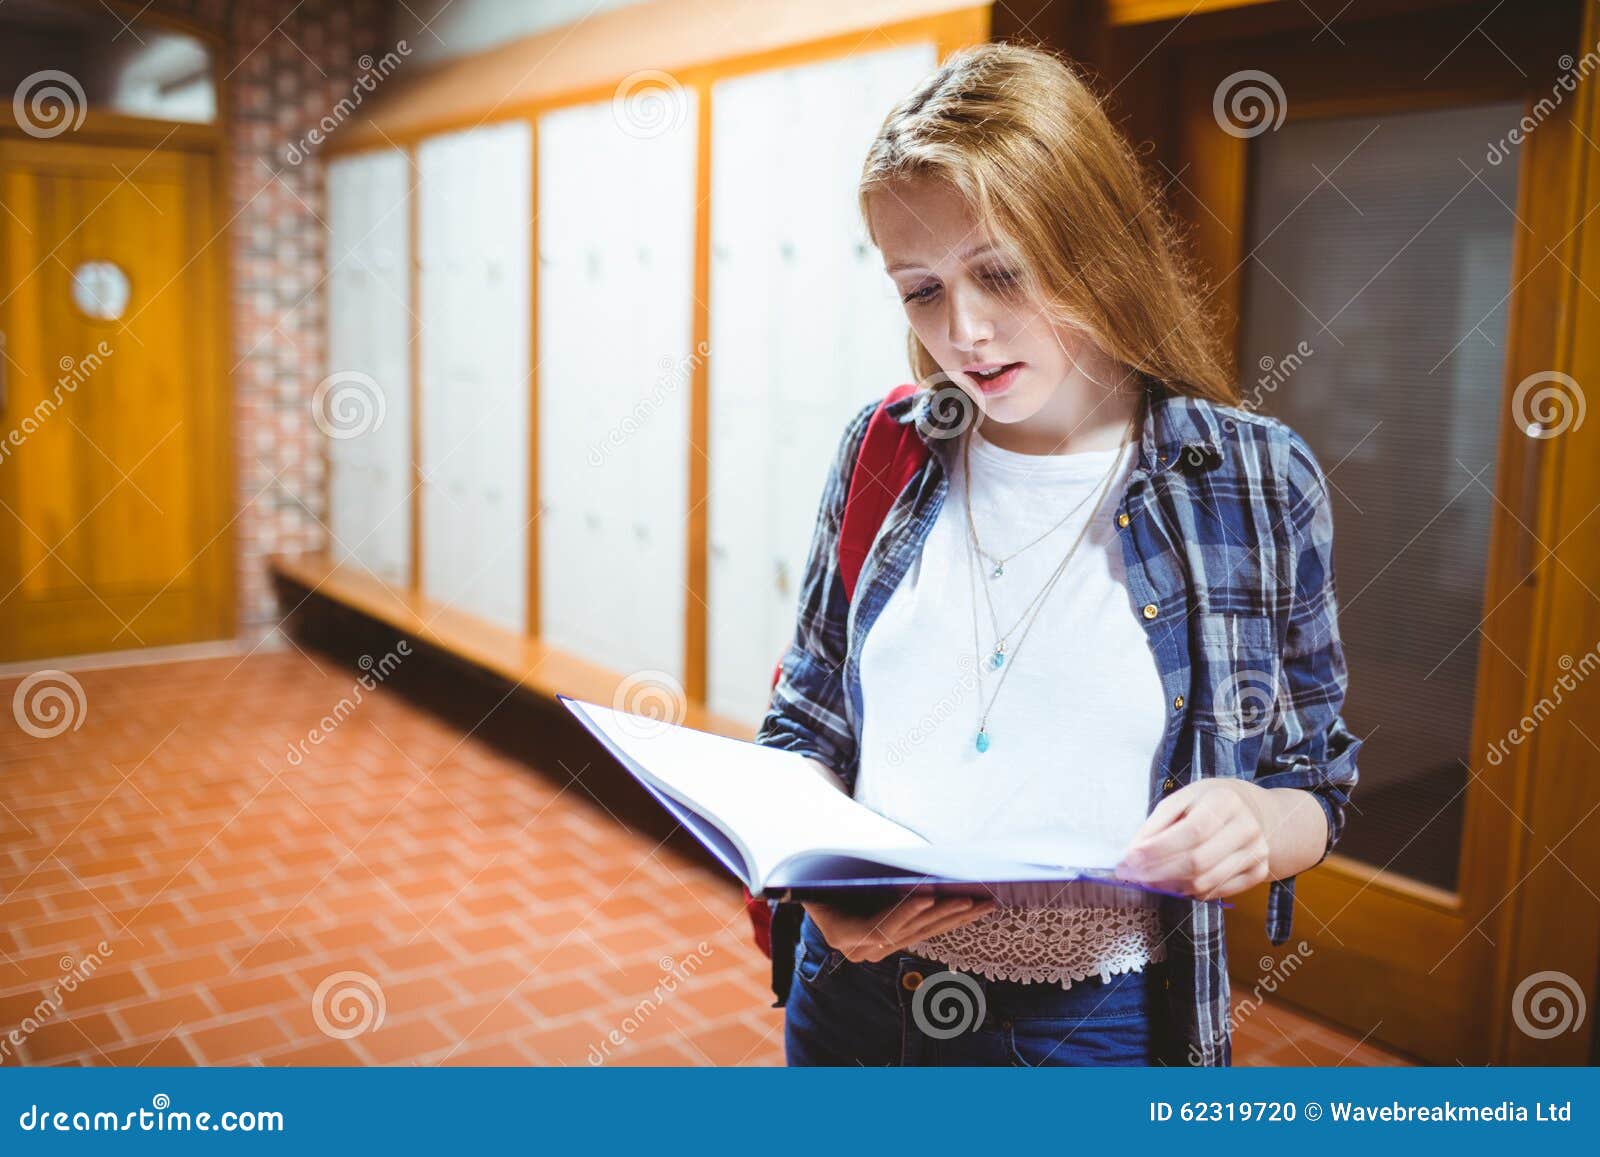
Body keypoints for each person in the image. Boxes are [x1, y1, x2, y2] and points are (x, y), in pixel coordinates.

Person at [752, 41, 1362, 1067]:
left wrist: (1258, 816)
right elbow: (801, 720)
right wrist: (815, 886)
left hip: (1089, 1030)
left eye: (999, 272)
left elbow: (1316, 783)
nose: (968, 332)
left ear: (1095, 245)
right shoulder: (881, 449)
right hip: (852, 998)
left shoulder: (1253, 480)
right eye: (921, 290)